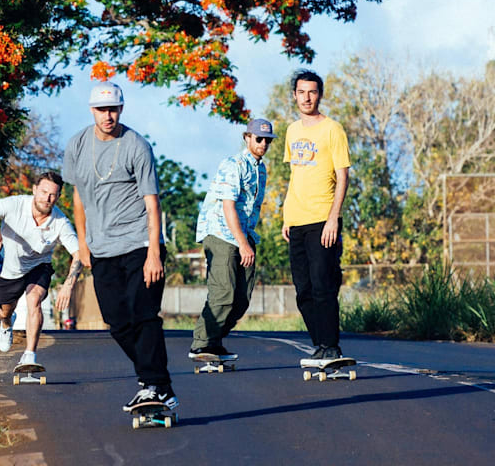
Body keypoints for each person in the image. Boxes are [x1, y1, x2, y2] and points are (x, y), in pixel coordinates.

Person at [62, 81, 176, 413]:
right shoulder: (78, 145)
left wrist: (154, 252)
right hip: (102, 248)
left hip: (140, 243)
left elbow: (152, 203)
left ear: (121, 109)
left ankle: (154, 385)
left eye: (113, 109)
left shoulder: (136, 146)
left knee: (143, 315)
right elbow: (78, 197)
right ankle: (158, 384)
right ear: (91, 110)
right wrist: (82, 243)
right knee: (117, 321)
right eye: (101, 110)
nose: (107, 116)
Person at [0, 171, 81, 369]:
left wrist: (68, 285)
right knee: (4, 311)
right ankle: (6, 324)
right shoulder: (16, 204)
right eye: (44, 192)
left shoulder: (60, 222)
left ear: (58, 197)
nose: (47, 198)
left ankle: (30, 355)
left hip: (39, 266)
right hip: (10, 269)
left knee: (34, 300)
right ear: (34, 190)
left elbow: (79, 254)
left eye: (53, 194)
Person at [282, 69, 352, 366]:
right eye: (301, 92)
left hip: (323, 219)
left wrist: (333, 218)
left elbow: (343, 175)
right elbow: (294, 175)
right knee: (303, 291)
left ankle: (331, 345)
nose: (306, 97)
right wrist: (286, 217)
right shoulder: (292, 131)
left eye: (312, 92)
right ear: (295, 95)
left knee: (324, 286)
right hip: (296, 220)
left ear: (319, 95)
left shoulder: (332, 129)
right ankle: (320, 344)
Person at [188, 117, 274, 360]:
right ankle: (201, 343)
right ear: (247, 138)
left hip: (243, 234)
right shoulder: (233, 164)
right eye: (259, 139)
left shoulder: (261, 169)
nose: (263, 144)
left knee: (242, 298)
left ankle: (213, 341)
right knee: (223, 291)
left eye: (268, 140)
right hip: (220, 232)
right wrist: (243, 244)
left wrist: (246, 241)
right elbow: (228, 207)